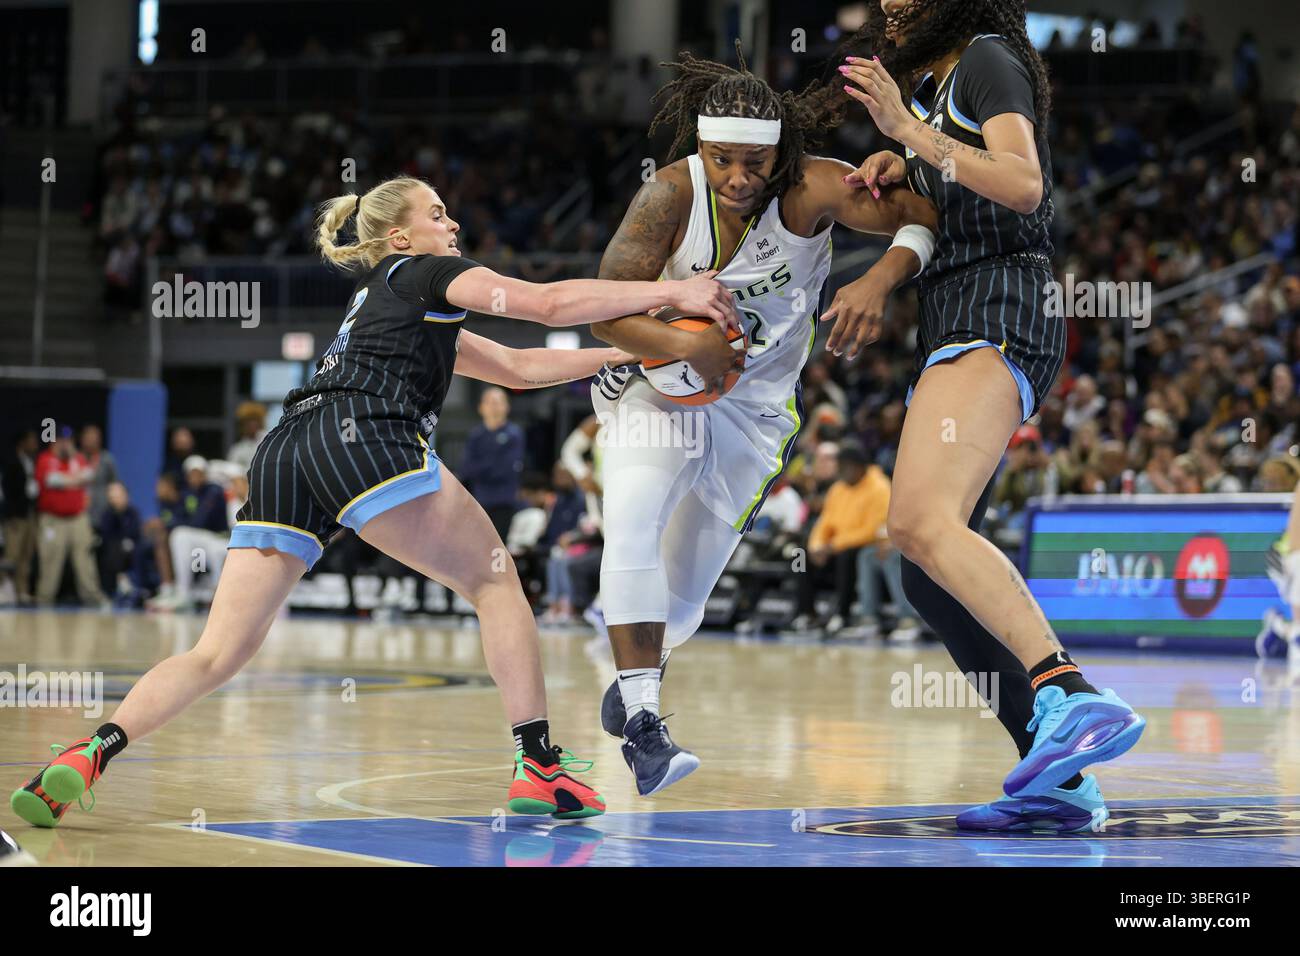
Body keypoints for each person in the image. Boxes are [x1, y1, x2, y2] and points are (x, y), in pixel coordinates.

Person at [10, 174, 741, 829]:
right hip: (364, 437)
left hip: (288, 451)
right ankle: (539, 765)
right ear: (402, 236)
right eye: (439, 213)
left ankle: (88, 752)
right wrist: (670, 295)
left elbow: (519, 367)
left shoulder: (381, 308)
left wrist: (635, 351)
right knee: (494, 581)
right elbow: (546, 305)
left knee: (216, 653)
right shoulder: (426, 273)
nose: (452, 227)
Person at [586, 46, 940, 796]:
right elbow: (604, 313)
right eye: (722, 161)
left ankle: (638, 660)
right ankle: (647, 726)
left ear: (780, 153)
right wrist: (688, 345)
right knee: (631, 518)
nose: (740, 178)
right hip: (658, 387)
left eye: (755, 162)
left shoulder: (814, 187)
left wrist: (878, 277)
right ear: (698, 149)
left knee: (682, 606)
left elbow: (923, 216)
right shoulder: (666, 198)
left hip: (755, 413)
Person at [839, 0, 1144, 833]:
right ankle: (1060, 781)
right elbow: (943, 202)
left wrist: (913, 132)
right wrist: (898, 165)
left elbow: (1021, 180)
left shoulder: (985, 58)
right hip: (957, 310)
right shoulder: (935, 84)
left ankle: (1069, 691)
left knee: (920, 522)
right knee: (923, 570)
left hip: (1000, 299)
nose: (890, 7)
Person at [33, 427, 106, 607]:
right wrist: (75, 479)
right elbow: (52, 480)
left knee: (85, 560)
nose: (65, 444)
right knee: (50, 560)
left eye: (68, 440)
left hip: (77, 518)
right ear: (53, 441)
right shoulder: (46, 459)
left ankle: (92, 598)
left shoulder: (77, 458)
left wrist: (69, 477)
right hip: (53, 519)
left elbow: (89, 475)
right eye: (61, 440)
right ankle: (44, 600)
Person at [459, 387, 525, 540]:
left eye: (498, 402)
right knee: (475, 548)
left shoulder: (514, 434)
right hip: (478, 502)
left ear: (507, 407)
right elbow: (465, 469)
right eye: (490, 402)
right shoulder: (476, 435)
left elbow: (506, 469)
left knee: (497, 550)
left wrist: (480, 468)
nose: (494, 407)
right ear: (481, 407)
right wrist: (489, 466)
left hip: (503, 503)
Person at [1, 430, 39, 605]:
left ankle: (21, 590)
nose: (35, 443)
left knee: (26, 554)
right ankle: (3, 588)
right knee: (12, 554)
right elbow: (8, 491)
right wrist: (12, 516)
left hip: (29, 514)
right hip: (16, 516)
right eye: (31, 440)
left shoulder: (31, 462)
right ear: (21, 443)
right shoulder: (11, 463)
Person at [78, 425, 119, 528]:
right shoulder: (75, 459)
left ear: (99, 440)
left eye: (94, 438)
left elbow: (114, 484)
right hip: (79, 514)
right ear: (82, 439)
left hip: (103, 512)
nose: (91, 441)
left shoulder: (107, 460)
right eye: (88, 438)